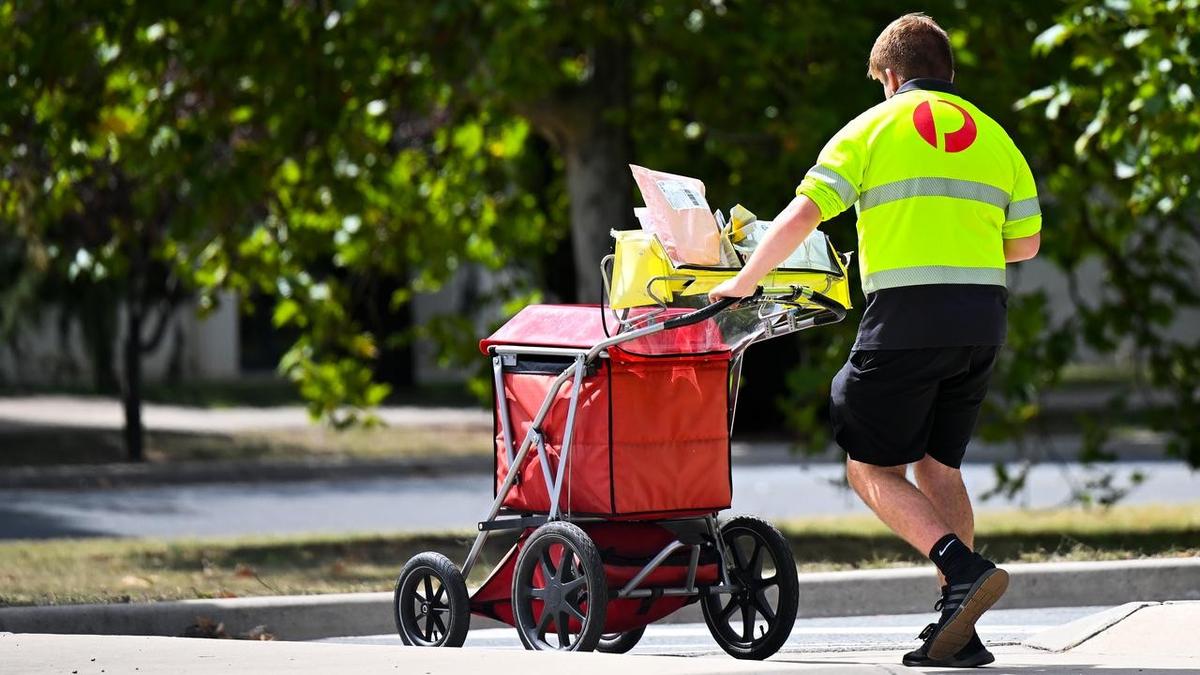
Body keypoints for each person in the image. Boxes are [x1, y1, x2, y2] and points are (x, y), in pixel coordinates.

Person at [708, 12, 1041, 668]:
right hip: (981, 322)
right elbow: (1024, 243)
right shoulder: (995, 137)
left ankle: (960, 567)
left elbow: (805, 212)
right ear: (947, 73)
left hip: (907, 321)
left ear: (889, 78)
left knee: (868, 463)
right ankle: (961, 628)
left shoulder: (871, 128)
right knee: (938, 466)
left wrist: (744, 281)